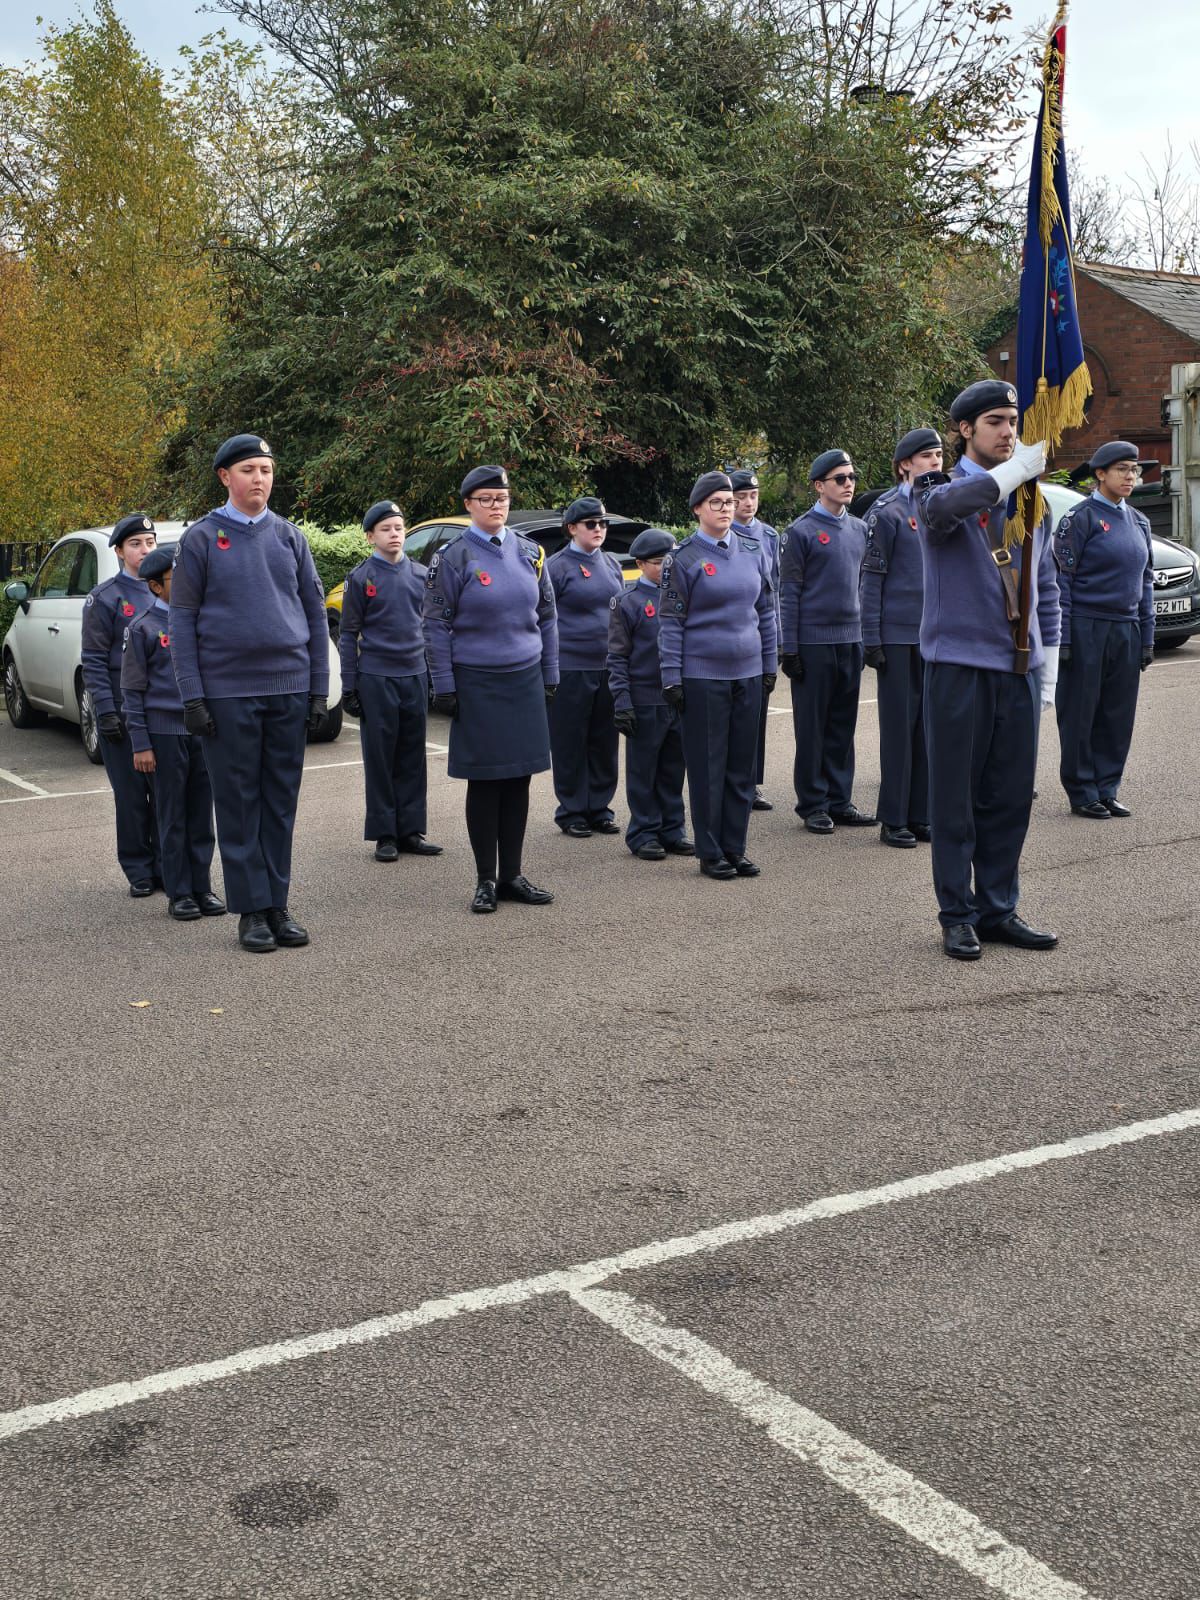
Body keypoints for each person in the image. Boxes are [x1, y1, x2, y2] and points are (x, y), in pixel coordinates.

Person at [912, 380, 1060, 960]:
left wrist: (1047, 665)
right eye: (995, 421)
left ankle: (998, 907)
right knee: (955, 797)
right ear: (964, 429)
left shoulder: (1030, 500)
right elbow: (941, 513)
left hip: (1017, 667)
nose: (1009, 431)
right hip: (958, 667)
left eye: (1013, 421)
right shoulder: (936, 486)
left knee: (1008, 796)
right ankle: (958, 913)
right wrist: (1008, 476)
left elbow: (1044, 586)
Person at [169, 434, 328, 954]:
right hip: (228, 694)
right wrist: (192, 696)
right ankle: (250, 910)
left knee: (280, 802)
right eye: (248, 470)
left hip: (288, 687)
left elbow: (312, 614)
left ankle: (277, 903)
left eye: (265, 469)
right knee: (238, 803)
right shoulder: (200, 539)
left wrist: (318, 691)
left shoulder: (290, 537)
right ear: (225, 477)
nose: (259, 478)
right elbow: (183, 618)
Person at [422, 464, 559, 914]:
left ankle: (513, 874)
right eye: (486, 499)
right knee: (485, 783)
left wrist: (550, 672)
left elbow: (547, 617)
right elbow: (435, 624)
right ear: (469, 505)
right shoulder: (453, 557)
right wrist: (443, 683)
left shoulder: (530, 552)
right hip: (476, 682)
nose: (496, 506)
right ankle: (485, 879)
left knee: (518, 779)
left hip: (523, 677)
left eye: (501, 498)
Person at [659, 471, 777, 880]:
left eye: (730, 502)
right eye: (717, 503)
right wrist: (671, 676)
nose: (727, 509)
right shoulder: (684, 557)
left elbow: (765, 610)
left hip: (747, 671)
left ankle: (735, 846)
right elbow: (671, 623)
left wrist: (768, 663)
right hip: (702, 675)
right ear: (697, 509)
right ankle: (710, 851)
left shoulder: (751, 548)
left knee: (741, 766)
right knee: (709, 766)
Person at [119, 545, 225, 922]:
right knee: (172, 814)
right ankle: (179, 892)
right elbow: (132, 691)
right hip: (164, 734)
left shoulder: (199, 623)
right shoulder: (143, 628)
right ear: (154, 587)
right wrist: (141, 742)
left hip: (200, 731)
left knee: (201, 813)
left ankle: (202, 886)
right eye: (174, 579)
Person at [1053, 440, 1154, 819]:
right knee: (1081, 712)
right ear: (1100, 474)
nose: (1131, 477)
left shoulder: (1139, 522)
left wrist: (1147, 637)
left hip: (1125, 628)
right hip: (1086, 626)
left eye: (1135, 470)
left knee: (1117, 713)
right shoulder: (1080, 519)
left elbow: (1144, 583)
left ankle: (1107, 787)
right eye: (1123, 469)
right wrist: (1063, 636)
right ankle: (1081, 790)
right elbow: (1062, 581)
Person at [779, 450, 876, 835]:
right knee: (813, 727)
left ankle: (840, 799)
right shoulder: (799, 532)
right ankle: (813, 803)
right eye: (839, 478)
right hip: (813, 644)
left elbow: (864, 587)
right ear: (819, 485)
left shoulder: (859, 529)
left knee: (842, 725)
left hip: (850, 640)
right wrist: (790, 648)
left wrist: (868, 636)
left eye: (851, 476)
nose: (848, 483)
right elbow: (788, 594)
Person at [340, 500, 442, 862]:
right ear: (370, 537)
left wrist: (433, 677)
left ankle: (411, 829)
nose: (394, 534)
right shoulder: (361, 578)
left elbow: (430, 629)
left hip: (413, 674)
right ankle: (385, 833)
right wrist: (349, 685)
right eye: (385, 529)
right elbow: (348, 634)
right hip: (377, 678)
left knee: (413, 755)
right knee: (381, 757)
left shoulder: (420, 575)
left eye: (398, 528)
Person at [860, 428, 943, 847]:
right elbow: (871, 580)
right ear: (905, 464)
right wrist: (871, 638)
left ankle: (922, 813)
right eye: (927, 455)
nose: (935, 462)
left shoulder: (942, 509)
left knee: (929, 728)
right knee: (899, 728)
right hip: (896, 636)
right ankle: (894, 818)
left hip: (936, 634)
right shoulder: (887, 512)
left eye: (939, 455)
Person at [81, 513, 161, 896]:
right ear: (119, 551)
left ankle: (166, 863)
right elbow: (94, 659)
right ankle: (139, 869)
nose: (144, 550)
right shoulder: (105, 598)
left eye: (149, 542)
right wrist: (106, 711)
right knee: (130, 794)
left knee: (165, 792)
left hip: (159, 708)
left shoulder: (167, 590)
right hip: (120, 706)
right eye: (135, 544)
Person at [606, 527, 693, 861]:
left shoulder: (682, 596)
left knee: (673, 769)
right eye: (659, 562)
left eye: (670, 561)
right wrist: (622, 702)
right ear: (640, 564)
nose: (666, 567)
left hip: (676, 698)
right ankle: (643, 832)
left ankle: (673, 830)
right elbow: (617, 657)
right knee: (644, 772)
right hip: (644, 700)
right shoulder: (628, 603)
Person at [545, 497, 625, 837]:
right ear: (572, 528)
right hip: (570, 667)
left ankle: (600, 808)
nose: (598, 529)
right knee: (570, 741)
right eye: (591, 524)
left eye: (603, 524)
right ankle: (573, 810)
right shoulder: (556, 567)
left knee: (604, 740)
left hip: (607, 666)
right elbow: (543, 619)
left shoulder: (612, 564)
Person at [730, 469, 780, 813]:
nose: (748, 503)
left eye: (753, 496)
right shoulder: (722, 533)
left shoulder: (770, 535)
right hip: (734, 635)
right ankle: (733, 782)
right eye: (740, 498)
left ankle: (751, 783)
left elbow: (775, 588)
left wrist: (778, 640)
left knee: (757, 715)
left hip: (763, 632)